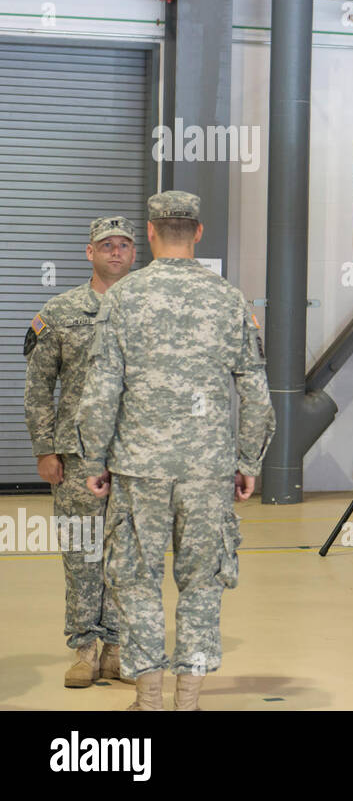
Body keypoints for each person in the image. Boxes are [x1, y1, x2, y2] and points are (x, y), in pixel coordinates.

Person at [76, 191, 276, 711]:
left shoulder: (122, 298)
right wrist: (248, 460)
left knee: (137, 582)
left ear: (149, 232)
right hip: (208, 470)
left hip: (139, 468)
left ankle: (149, 701)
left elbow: (101, 390)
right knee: (202, 583)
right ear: (200, 232)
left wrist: (94, 461)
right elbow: (255, 390)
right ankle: (188, 700)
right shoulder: (230, 298)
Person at [24, 215, 135, 688]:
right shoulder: (62, 310)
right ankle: (84, 651)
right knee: (82, 552)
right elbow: (38, 386)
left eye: (124, 245)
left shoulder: (147, 307)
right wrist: (44, 449)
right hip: (78, 456)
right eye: (105, 245)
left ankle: (116, 650)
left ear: (135, 253)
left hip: (135, 455)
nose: (115, 251)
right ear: (89, 252)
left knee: (126, 554)